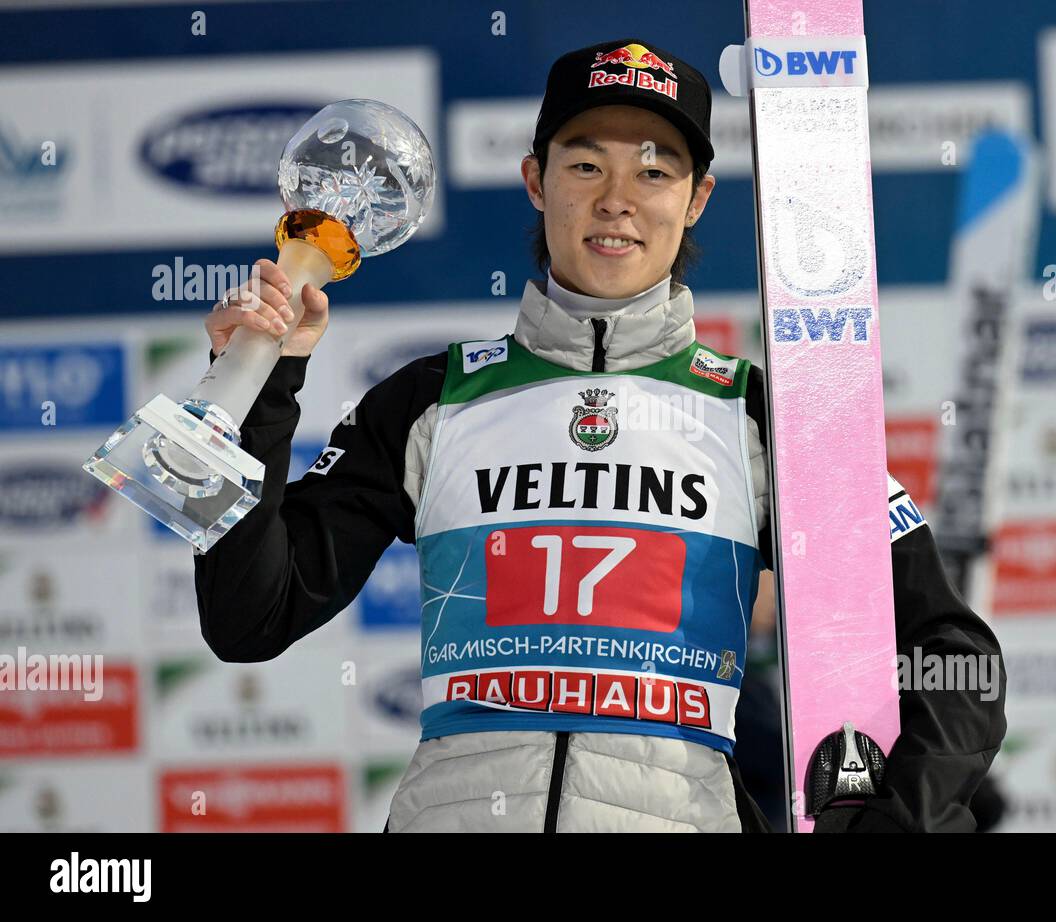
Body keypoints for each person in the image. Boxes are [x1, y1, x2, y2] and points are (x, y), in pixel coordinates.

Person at [195, 38, 1005, 833]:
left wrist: (898, 821)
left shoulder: (764, 419)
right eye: (586, 165)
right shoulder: (432, 400)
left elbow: (955, 654)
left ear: (696, 200)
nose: (617, 198)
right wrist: (264, 385)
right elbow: (251, 617)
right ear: (535, 181)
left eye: (653, 171)